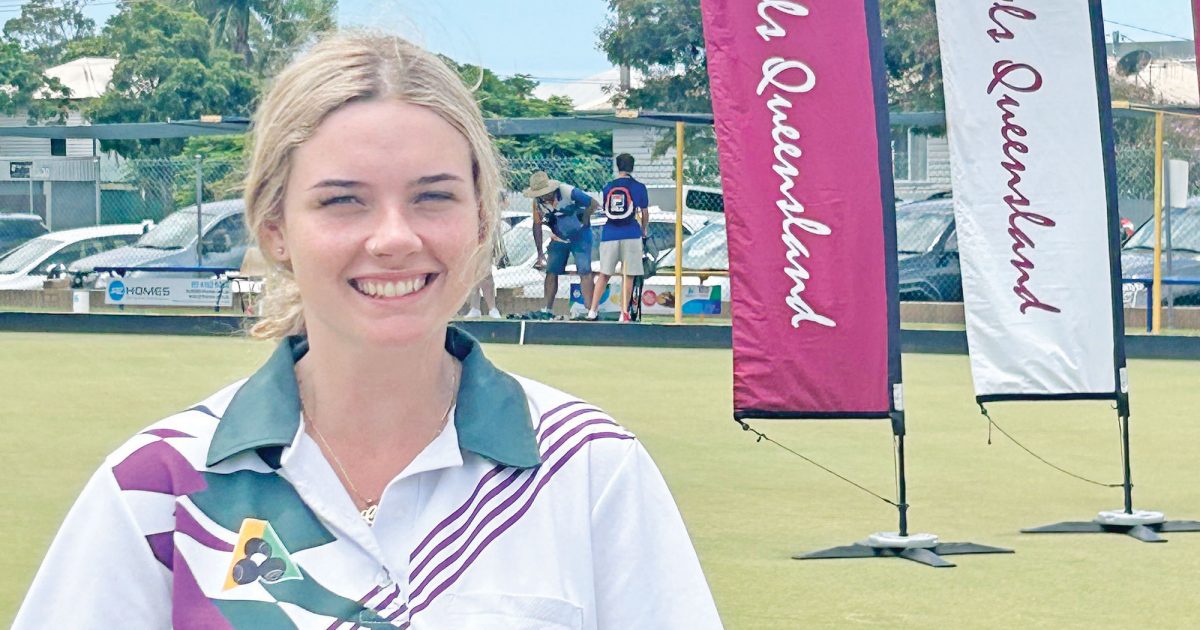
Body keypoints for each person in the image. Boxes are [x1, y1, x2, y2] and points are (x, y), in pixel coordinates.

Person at [14, 32, 721, 629]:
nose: (393, 238)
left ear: (481, 219)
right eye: (343, 201)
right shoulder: (159, 486)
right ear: (275, 229)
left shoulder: (588, 468)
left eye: (432, 197)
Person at [523, 170, 598, 317]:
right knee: (551, 271)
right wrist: (539, 253)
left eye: (545, 193)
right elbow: (537, 225)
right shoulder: (537, 203)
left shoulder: (568, 191)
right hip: (558, 237)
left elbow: (594, 203)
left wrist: (586, 218)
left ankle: (591, 311)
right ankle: (548, 309)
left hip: (580, 235)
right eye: (539, 194)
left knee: (584, 271)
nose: (543, 196)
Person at [587, 153, 649, 322]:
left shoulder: (608, 187)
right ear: (632, 167)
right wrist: (643, 230)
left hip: (609, 234)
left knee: (604, 273)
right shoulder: (639, 187)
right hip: (631, 233)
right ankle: (624, 313)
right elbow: (644, 212)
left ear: (618, 166)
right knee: (628, 275)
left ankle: (592, 310)